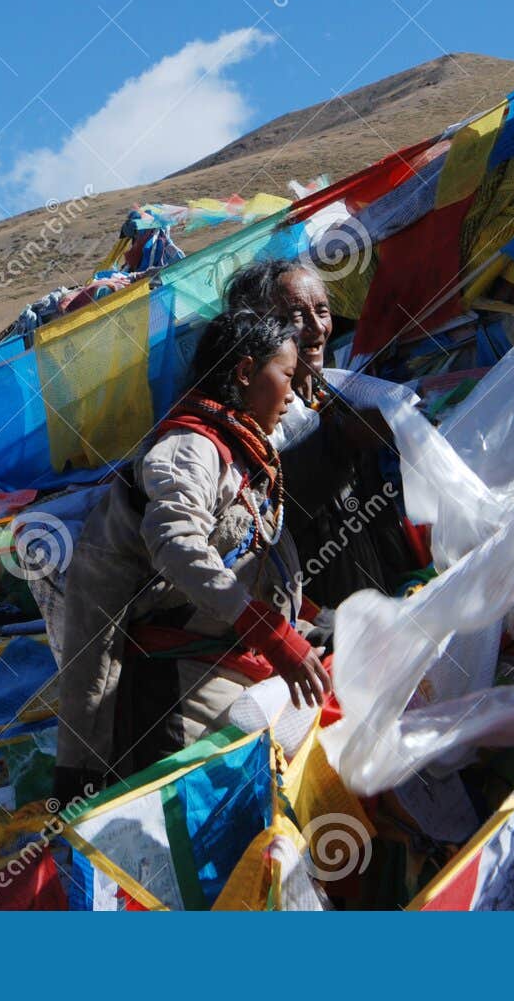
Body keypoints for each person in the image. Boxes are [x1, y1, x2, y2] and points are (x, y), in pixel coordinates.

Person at [54, 310, 332, 799]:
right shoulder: (189, 449)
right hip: (175, 679)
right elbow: (176, 545)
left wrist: (301, 625)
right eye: (286, 376)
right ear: (246, 373)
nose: (291, 396)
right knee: (206, 803)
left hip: (223, 653)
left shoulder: (241, 447)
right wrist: (266, 630)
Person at [224, 259, 417, 610]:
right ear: (257, 331)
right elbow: (273, 506)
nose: (317, 328)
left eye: (323, 311)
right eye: (296, 317)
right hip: (323, 627)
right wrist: (343, 442)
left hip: (392, 604)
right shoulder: (246, 425)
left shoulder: (347, 395)